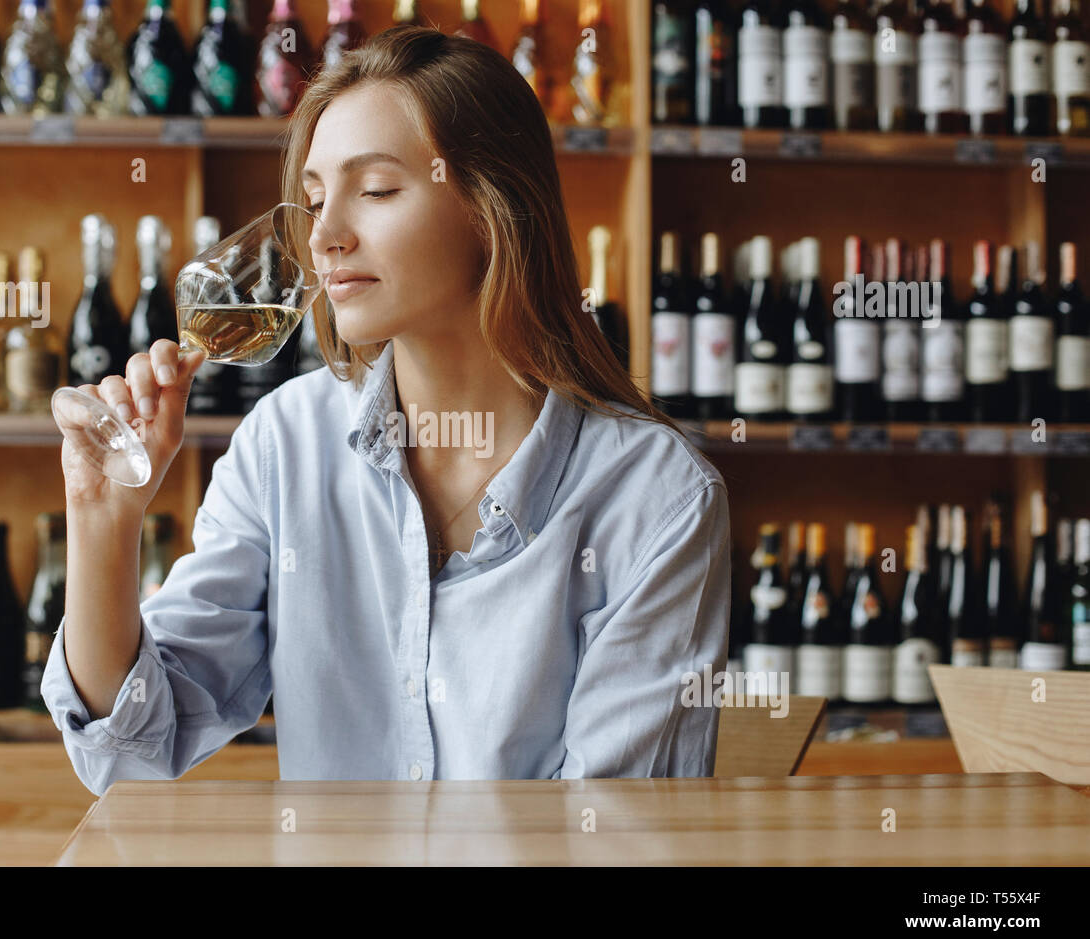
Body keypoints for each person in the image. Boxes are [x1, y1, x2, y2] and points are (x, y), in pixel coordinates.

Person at [42, 25, 730, 796]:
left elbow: (609, 836)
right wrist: (105, 525)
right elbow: (128, 755)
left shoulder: (654, 498)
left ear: (491, 207)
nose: (325, 236)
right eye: (312, 199)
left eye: (374, 191)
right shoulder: (285, 446)